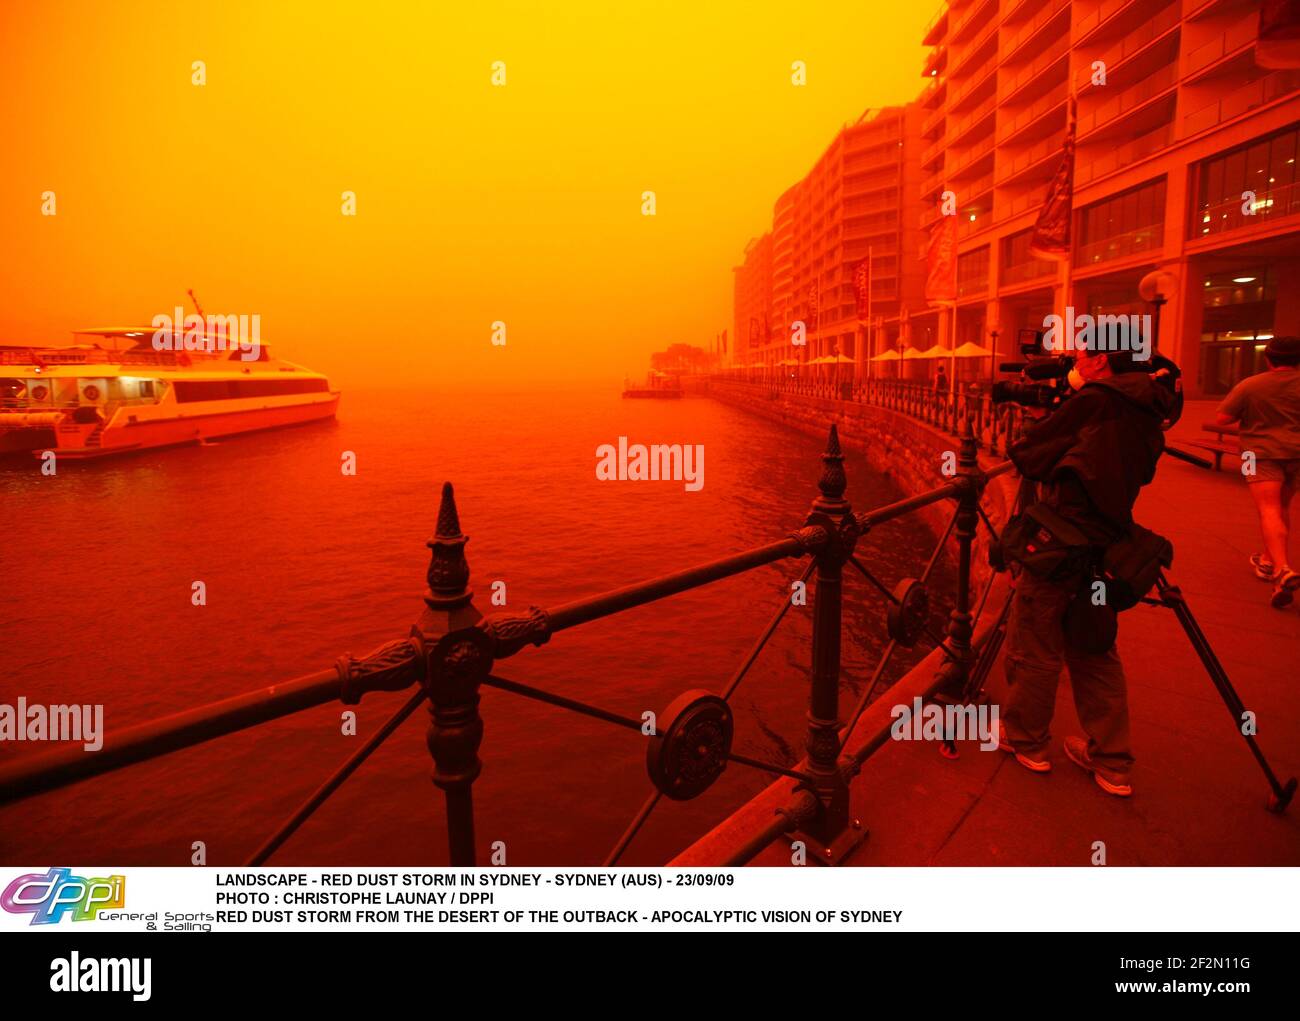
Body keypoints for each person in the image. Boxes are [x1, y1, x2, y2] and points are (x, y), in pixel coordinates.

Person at [998, 349, 1176, 798]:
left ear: (1101, 362)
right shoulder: (1150, 406)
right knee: (1095, 647)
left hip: (1059, 543)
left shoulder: (1096, 400)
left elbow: (1027, 455)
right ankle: (1113, 762)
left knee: (1035, 643)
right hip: (1107, 544)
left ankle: (1027, 742)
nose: (1075, 360)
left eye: (1082, 353)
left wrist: (1039, 415)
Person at [1213, 335, 1300, 608]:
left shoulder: (1251, 385)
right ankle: (1266, 559)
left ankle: (1281, 568)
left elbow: (1223, 418)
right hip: (1297, 453)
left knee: (1268, 509)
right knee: (1282, 506)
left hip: (1255, 454)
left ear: (1268, 358)